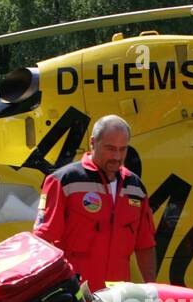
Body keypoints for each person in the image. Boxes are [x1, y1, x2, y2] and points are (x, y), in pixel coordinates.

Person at [33, 114, 156, 292]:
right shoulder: (64, 181)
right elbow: (42, 239)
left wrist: (151, 288)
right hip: (74, 293)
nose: (117, 156)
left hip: (117, 297)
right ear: (92, 142)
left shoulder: (135, 188)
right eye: (110, 148)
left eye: (123, 149)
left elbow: (145, 244)